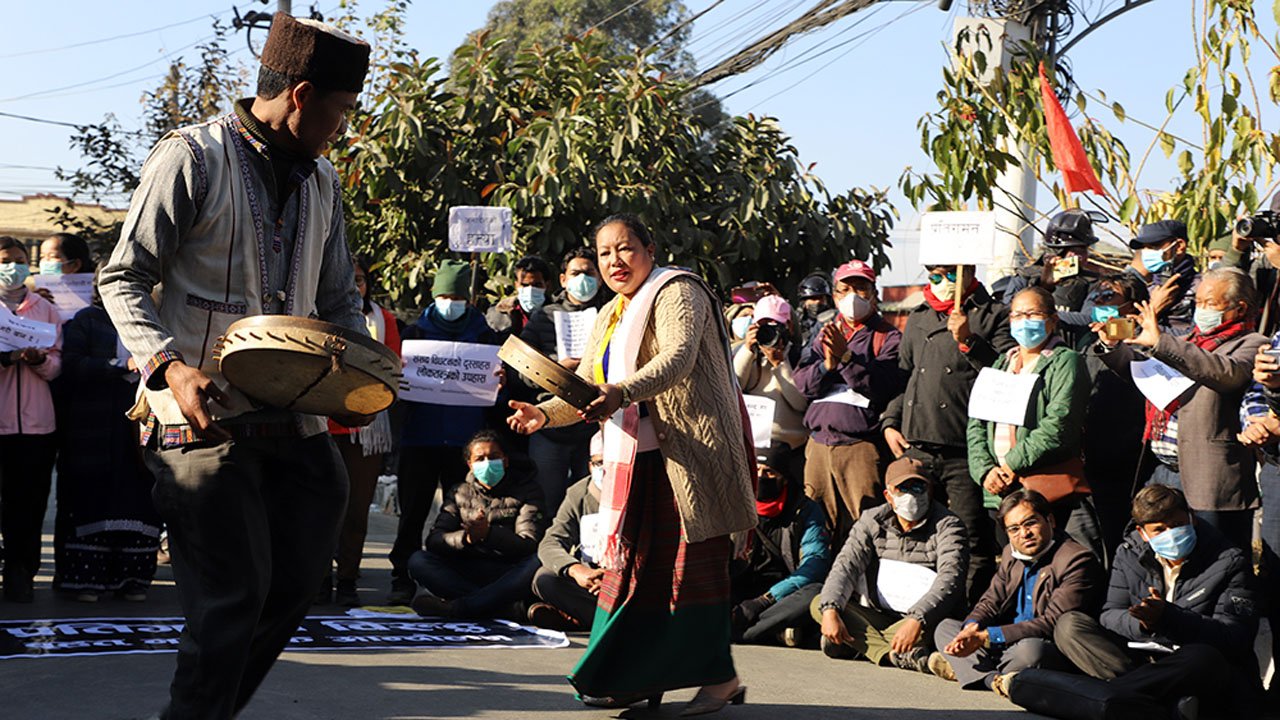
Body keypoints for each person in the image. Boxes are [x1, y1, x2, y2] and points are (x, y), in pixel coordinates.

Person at [98, 15, 370, 719]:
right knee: (231, 600)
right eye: (341, 111)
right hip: (202, 421)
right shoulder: (192, 156)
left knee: (291, 585)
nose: (343, 127)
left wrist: (356, 381)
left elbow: (339, 299)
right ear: (302, 95)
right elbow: (123, 278)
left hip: (299, 422)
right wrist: (167, 367)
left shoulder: (324, 183)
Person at [506, 213, 756, 716]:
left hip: (692, 459)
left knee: (691, 573)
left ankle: (720, 682)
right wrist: (544, 415)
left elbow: (679, 357)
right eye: (603, 253)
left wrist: (621, 391)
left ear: (650, 247)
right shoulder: (611, 313)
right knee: (636, 572)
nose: (614, 261)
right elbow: (586, 392)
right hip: (638, 461)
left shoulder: (676, 290)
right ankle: (630, 677)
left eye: (624, 248)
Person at [1038, 485, 1264, 719]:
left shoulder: (1229, 560)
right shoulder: (1128, 553)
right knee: (1070, 626)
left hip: (1192, 664)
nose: (1171, 534)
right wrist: (1143, 623)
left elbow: (1235, 638)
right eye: (1159, 530)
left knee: (1203, 658)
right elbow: (1110, 613)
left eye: (1177, 525)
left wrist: (1168, 618)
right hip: (1142, 659)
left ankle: (1107, 696)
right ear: (1143, 532)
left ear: (1191, 518)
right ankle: (1157, 702)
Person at [1094, 267, 1267, 552]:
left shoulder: (1251, 343)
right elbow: (1145, 372)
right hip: (1163, 468)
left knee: (1218, 557)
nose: (1201, 310)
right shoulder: (1187, 341)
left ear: (1240, 308)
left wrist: (1161, 342)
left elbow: (1224, 373)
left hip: (1210, 476)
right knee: (1157, 551)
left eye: (1210, 303)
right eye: (1197, 302)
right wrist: (1112, 345)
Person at [881, 264, 1012, 603]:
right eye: (935, 276)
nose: (941, 283)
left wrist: (969, 340)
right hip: (917, 444)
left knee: (971, 536)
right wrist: (891, 422)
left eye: (949, 275)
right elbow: (906, 379)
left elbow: (1007, 372)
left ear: (968, 271)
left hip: (963, 446)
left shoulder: (993, 313)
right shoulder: (919, 316)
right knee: (916, 530)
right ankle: (916, 609)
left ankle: (968, 613)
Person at [389, 258, 501, 604]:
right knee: (413, 512)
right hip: (419, 438)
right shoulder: (414, 334)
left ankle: (452, 578)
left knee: (461, 514)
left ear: (468, 300)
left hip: (465, 444)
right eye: (445, 295)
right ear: (435, 295)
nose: (450, 303)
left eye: (457, 296)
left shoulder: (486, 336)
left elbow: (498, 393)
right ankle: (402, 577)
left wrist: (501, 382)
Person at [967, 287, 1102, 562]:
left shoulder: (1066, 362)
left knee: (1058, 564)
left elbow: (1058, 425)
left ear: (1052, 320)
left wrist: (1011, 464)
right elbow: (976, 423)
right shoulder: (1002, 362)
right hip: (1002, 489)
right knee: (1013, 567)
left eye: (1032, 313)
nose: (1023, 321)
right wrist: (984, 471)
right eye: (1016, 315)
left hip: (1046, 489)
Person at [930, 490, 1104, 698]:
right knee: (946, 628)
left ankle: (970, 670)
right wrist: (970, 629)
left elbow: (1051, 623)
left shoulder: (1076, 560)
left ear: (1050, 520)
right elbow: (991, 600)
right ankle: (995, 679)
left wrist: (987, 637)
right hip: (1004, 643)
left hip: (1044, 643)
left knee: (1031, 653)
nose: (1024, 534)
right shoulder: (1010, 554)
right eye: (1014, 529)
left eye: (1030, 523)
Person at [54, 273, 162, 603]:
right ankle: (87, 580)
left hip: (141, 426)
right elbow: (70, 365)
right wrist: (118, 365)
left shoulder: (154, 321)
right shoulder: (87, 320)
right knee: (92, 498)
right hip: (94, 426)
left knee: (139, 499)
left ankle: (133, 579)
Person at [813, 456, 968, 674]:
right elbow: (845, 566)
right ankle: (896, 654)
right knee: (819, 603)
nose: (911, 495)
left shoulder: (949, 525)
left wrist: (917, 619)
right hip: (879, 613)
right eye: (902, 488)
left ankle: (858, 644)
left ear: (929, 491)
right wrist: (830, 611)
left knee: (938, 628)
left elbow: (950, 579)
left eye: (918, 486)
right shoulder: (871, 520)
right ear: (888, 495)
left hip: (925, 620)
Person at [794, 260, 904, 543]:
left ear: (874, 292)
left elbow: (882, 386)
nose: (853, 296)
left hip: (860, 449)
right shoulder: (825, 333)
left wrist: (846, 359)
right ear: (835, 296)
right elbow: (803, 383)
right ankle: (821, 584)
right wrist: (826, 366)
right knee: (817, 528)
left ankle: (867, 586)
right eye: (845, 289)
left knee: (867, 529)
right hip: (819, 445)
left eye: (861, 288)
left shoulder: (888, 337)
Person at [321, 256, 401, 607]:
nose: (354, 287)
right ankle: (318, 579)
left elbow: (393, 364)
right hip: (321, 422)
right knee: (319, 509)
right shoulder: (314, 315)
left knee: (356, 509)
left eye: (360, 280)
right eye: (347, 280)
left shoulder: (384, 320)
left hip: (366, 426)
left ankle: (348, 579)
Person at [409, 430, 544, 619]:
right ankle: (500, 608)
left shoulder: (528, 490)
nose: (487, 463)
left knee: (538, 562)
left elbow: (529, 543)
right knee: (419, 560)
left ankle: (461, 608)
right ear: (470, 465)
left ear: (505, 460)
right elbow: (435, 540)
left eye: (494, 457)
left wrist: (490, 534)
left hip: (508, 571)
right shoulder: (459, 491)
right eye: (480, 459)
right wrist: (466, 538)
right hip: (467, 567)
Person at [519, 246, 609, 512]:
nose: (583, 279)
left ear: (600, 277)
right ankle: (547, 552)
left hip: (595, 425)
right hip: (549, 428)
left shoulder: (611, 315)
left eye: (589, 273)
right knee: (546, 500)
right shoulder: (543, 316)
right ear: (563, 279)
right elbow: (520, 372)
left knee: (594, 500)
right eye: (576, 273)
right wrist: (558, 370)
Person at [0, 236, 61, 603]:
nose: (14, 266)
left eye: (21, 259)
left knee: (30, 502)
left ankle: (22, 571)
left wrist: (39, 360)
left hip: (37, 425)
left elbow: (57, 366)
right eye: (6, 259)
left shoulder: (44, 307)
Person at [1076, 274, 1149, 556]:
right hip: (1092, 463)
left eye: (1109, 297)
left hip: (1131, 465)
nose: (1099, 302)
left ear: (1134, 305)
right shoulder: (1088, 345)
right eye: (1097, 296)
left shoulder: (1149, 346)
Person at [730, 442, 831, 647]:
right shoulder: (735, 503)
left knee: (817, 593)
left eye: (769, 472)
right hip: (738, 585)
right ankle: (773, 632)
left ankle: (739, 633)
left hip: (781, 593)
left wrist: (764, 600)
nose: (760, 477)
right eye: (755, 471)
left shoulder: (805, 510)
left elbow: (815, 564)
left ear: (784, 477)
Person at [529, 432, 606, 632]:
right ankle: (595, 619)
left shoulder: (640, 490)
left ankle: (582, 620)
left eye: (613, 463)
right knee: (544, 579)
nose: (606, 469)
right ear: (590, 465)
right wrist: (576, 570)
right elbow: (551, 542)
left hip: (627, 582)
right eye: (600, 463)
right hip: (591, 582)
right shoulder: (579, 493)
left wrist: (613, 578)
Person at [734, 294, 808, 461]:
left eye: (774, 325)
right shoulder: (743, 353)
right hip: (752, 445)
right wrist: (747, 351)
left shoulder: (802, 355)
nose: (768, 331)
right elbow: (733, 388)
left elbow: (800, 403)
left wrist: (779, 364)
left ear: (788, 327)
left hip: (791, 448)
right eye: (762, 325)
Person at [1126, 220, 1198, 336]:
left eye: (1153, 246)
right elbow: (1123, 334)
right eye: (1144, 248)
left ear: (1179, 246)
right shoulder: (1143, 288)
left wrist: (1149, 321)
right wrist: (1154, 308)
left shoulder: (1201, 288)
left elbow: (1199, 339)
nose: (1146, 252)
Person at [487, 254, 553, 338]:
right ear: (516, 285)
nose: (530, 290)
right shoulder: (499, 314)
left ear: (547, 285)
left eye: (537, 285)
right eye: (525, 285)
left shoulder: (559, 315)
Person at [795, 272, 836, 349]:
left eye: (821, 298)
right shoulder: (798, 323)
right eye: (813, 298)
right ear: (804, 302)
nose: (817, 302)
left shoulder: (835, 320)